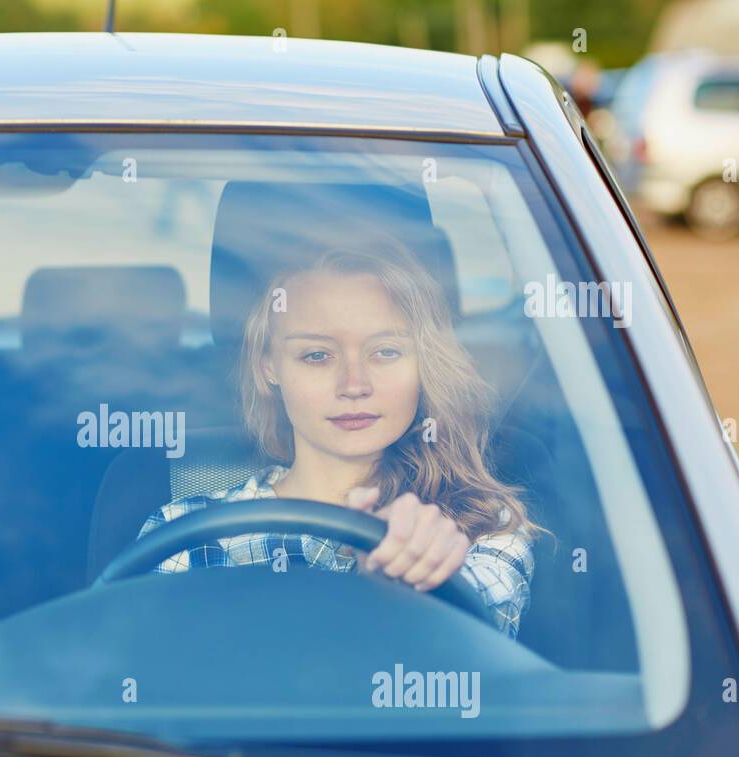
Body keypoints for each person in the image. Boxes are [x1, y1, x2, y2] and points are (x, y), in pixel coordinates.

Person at [136, 232, 542, 639]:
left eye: (385, 351)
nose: (354, 384)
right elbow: (145, 674)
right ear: (268, 368)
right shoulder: (184, 532)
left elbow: (477, 662)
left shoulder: (481, 527)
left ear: (424, 364)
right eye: (317, 355)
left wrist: (412, 592)